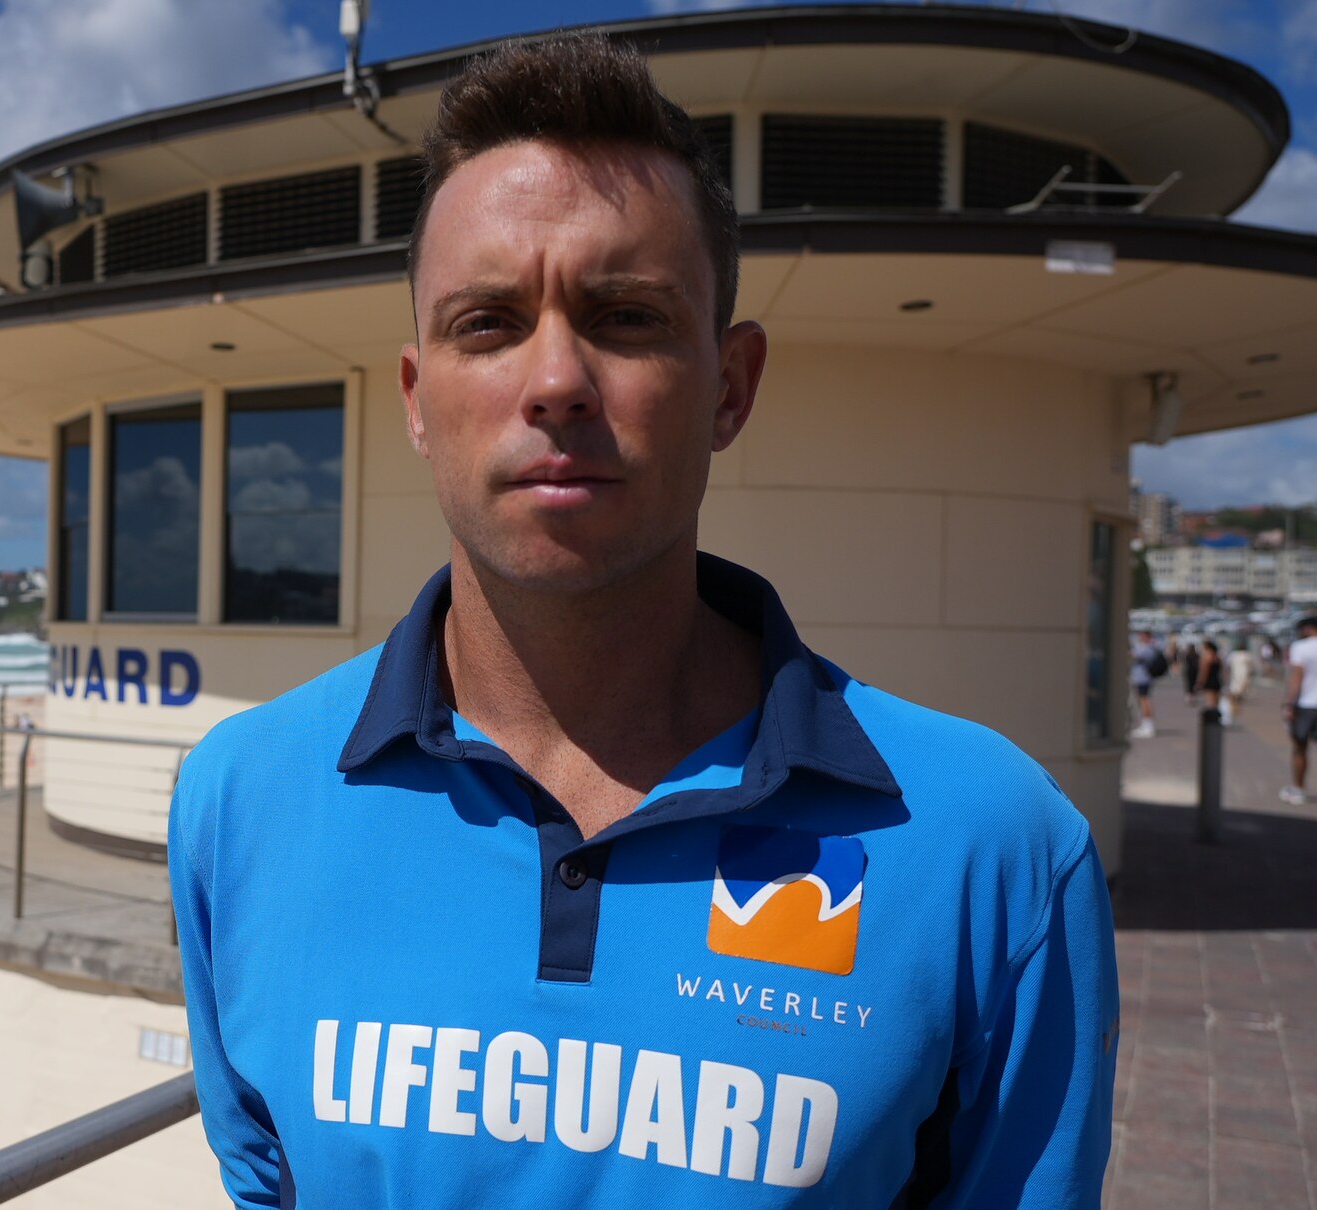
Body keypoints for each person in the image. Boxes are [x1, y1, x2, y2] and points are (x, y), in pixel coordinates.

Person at [169, 34, 1115, 1209]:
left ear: (728, 387)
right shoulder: (239, 802)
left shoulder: (995, 849)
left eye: (622, 316)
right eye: (486, 322)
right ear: (417, 401)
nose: (554, 380)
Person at [1286, 616, 1317, 805]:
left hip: (1306, 705)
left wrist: (1289, 704)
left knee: (1300, 749)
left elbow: (1297, 678)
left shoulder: (1300, 647)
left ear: (1307, 628)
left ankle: (1298, 789)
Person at [1131, 628, 1163, 738]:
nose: (1140, 638)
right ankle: (1145, 723)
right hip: (1143, 677)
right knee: (1143, 700)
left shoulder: (1147, 648)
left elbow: (1134, 655)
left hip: (1143, 678)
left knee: (1144, 700)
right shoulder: (1151, 647)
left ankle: (1148, 725)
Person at [1224, 638, 1256, 727]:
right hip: (1241, 674)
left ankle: (1235, 703)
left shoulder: (1236, 655)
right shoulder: (1245, 655)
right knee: (1239, 689)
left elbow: (1228, 666)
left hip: (1239, 674)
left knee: (1237, 689)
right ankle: (1236, 703)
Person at [1199, 639, 1223, 714]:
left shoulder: (1207, 657)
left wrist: (1200, 681)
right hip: (1217, 680)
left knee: (1210, 703)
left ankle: (1212, 718)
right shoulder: (1217, 657)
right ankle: (1216, 717)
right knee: (1216, 703)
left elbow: (1204, 671)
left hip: (1209, 681)